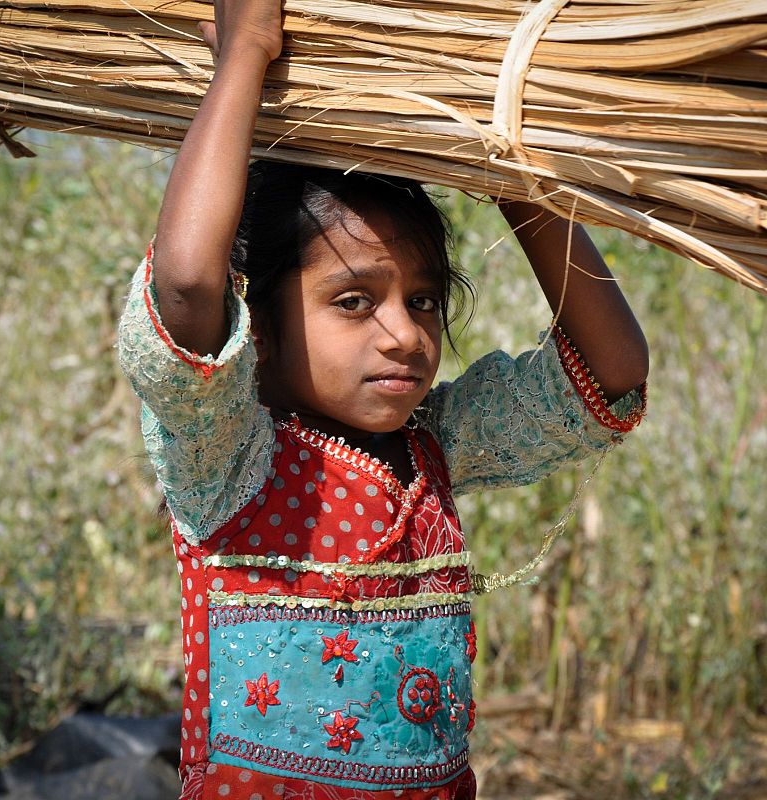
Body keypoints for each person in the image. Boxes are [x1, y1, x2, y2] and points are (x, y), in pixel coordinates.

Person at [117, 0, 648, 797]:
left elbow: (609, 375)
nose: (405, 334)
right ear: (257, 320)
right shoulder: (229, 461)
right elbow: (189, 283)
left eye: (424, 300)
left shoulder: (438, 443)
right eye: (355, 302)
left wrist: (506, 167)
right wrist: (246, 56)